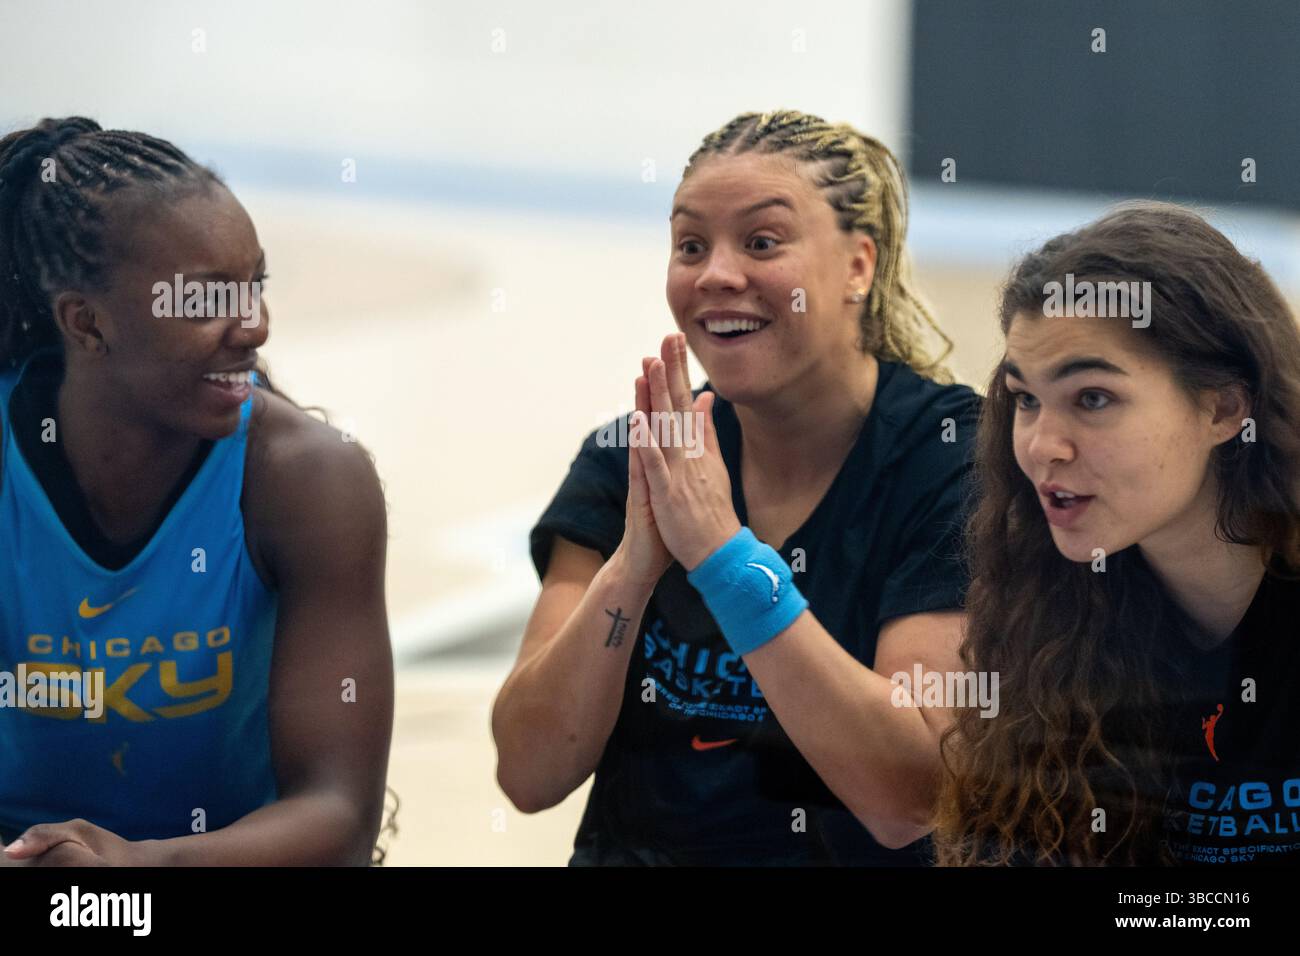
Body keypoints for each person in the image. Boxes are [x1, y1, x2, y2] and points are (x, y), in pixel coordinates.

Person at [492, 110, 981, 865]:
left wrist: (722, 557)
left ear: (858, 265)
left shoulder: (949, 460)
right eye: (691, 245)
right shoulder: (631, 453)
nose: (715, 273)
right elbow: (529, 770)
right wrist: (634, 564)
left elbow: (909, 800)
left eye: (762, 242)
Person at [0, 117, 393, 865]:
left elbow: (338, 813)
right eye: (206, 301)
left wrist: (138, 869)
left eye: (257, 286)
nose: (256, 326)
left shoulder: (309, 481)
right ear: (86, 324)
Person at [934, 202, 1300, 866]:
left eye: (1092, 399)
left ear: (1223, 409)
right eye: (1025, 399)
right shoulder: (1051, 608)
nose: (1043, 446)